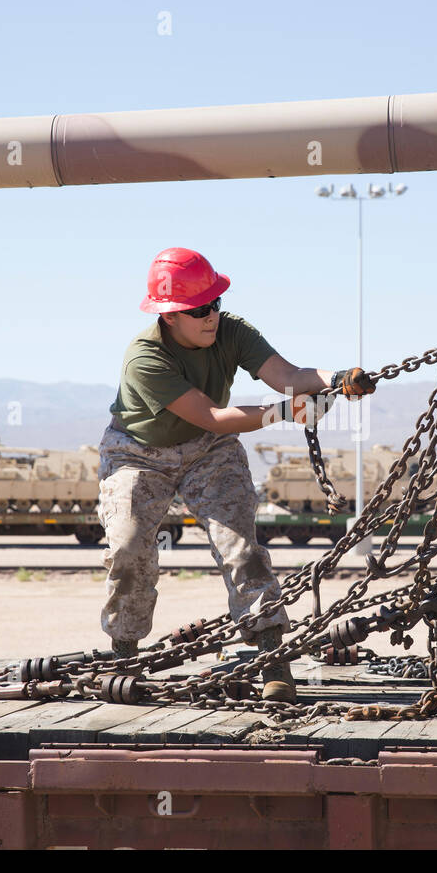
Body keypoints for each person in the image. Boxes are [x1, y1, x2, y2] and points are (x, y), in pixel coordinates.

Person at [99, 247, 377, 701]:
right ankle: (125, 655)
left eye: (215, 304)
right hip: (139, 454)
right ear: (169, 316)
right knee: (129, 549)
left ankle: (272, 660)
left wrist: (338, 377)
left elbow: (287, 374)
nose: (211, 316)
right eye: (198, 310)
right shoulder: (144, 357)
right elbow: (212, 415)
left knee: (241, 548)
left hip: (208, 452)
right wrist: (287, 411)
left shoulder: (232, 332)